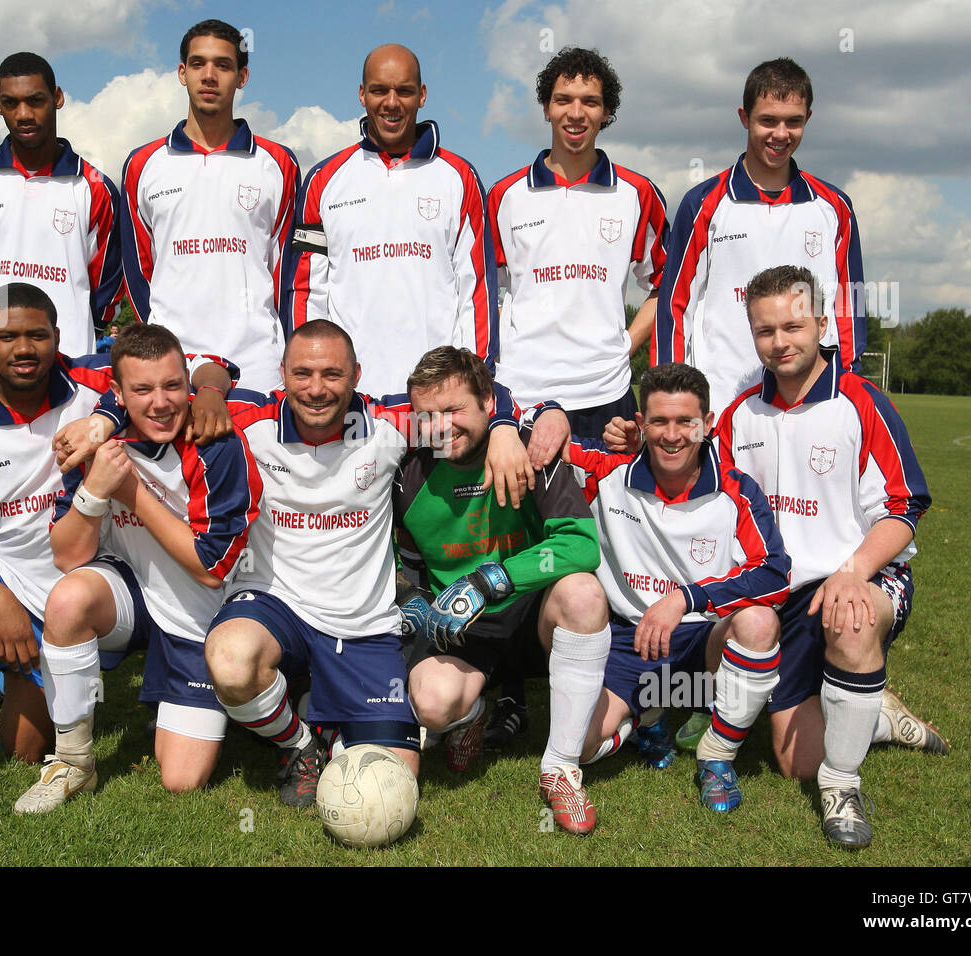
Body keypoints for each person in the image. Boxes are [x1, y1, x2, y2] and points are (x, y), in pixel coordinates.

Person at [0, 281, 235, 810]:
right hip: (0, 575)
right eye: (8, 336)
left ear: (59, 337)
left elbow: (191, 366)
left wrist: (208, 391)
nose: (24, 348)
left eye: (37, 335)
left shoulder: (92, 380)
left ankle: (14, 675)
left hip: (80, 577)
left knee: (22, 750)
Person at [201, 321, 535, 807]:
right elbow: (164, 383)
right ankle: (301, 745)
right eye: (303, 374)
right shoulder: (248, 420)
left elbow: (480, 399)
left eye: (333, 374)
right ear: (282, 373)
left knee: (396, 780)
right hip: (277, 608)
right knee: (230, 662)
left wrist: (507, 427)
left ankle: (326, 717)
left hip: (365, 622)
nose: (316, 389)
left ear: (357, 374)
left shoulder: (389, 424)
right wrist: (206, 388)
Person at [714, 264, 942, 849]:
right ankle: (878, 716)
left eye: (793, 326)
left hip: (863, 578)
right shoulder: (740, 415)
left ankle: (842, 786)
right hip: (782, 595)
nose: (780, 342)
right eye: (765, 331)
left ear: (821, 322)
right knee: (794, 761)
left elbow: (902, 507)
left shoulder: (862, 402)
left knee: (852, 611)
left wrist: (853, 571)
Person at [14, 324, 259, 812]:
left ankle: (255, 690)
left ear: (188, 383)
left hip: (206, 616)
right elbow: (66, 557)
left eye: (172, 386)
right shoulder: (98, 442)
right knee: (67, 597)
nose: (161, 403)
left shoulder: (215, 440)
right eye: (142, 390)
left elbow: (210, 570)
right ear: (119, 394)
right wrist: (95, 491)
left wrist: (130, 494)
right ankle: (73, 761)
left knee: (181, 779)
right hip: (136, 595)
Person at [394, 347, 610, 835]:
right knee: (431, 702)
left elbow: (580, 546)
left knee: (584, 594)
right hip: (464, 622)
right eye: (428, 416)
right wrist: (412, 601)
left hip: (535, 610)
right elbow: (400, 556)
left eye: (454, 411)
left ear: (490, 403)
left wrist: (492, 578)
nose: (441, 427)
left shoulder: (531, 448)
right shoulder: (406, 470)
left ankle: (560, 767)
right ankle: (471, 713)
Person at [567, 363, 790, 814]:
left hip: (702, 643)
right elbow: (537, 442)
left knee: (760, 621)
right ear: (640, 424)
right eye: (659, 422)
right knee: (580, 746)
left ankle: (717, 756)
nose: (673, 435)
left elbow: (774, 573)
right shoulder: (607, 471)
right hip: (628, 642)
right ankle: (644, 720)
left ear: (708, 424)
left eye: (686, 421)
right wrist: (546, 414)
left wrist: (685, 598)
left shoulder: (736, 491)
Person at [653, 58, 865, 412]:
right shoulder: (703, 204)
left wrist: (851, 385)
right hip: (723, 405)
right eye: (768, 120)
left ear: (808, 119)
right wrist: (669, 395)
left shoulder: (834, 207)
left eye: (793, 122)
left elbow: (849, 305)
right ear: (743, 117)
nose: (781, 134)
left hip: (815, 406)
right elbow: (676, 309)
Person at [285, 44, 496, 395]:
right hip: (349, 398)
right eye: (380, 90)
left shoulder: (459, 177)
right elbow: (307, 292)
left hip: (435, 398)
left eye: (405, 91)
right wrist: (310, 379)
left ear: (422, 95)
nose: (392, 103)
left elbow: (475, 291)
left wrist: (473, 383)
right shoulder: (324, 180)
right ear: (362, 94)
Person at [488, 47, 669, 439]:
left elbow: (666, 284)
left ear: (606, 113)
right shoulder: (505, 195)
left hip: (606, 391)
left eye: (590, 102)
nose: (575, 113)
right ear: (546, 108)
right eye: (563, 100)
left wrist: (626, 344)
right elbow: (486, 295)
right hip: (524, 390)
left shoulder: (637, 193)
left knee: (609, 503)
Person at [120, 19, 300, 392]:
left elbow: (288, 274)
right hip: (172, 362)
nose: (209, 76)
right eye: (198, 64)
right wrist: (157, 346)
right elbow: (138, 273)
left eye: (223, 65)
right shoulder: (143, 165)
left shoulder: (278, 164)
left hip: (257, 362)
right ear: (182, 73)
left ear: (242, 76)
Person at [0, 52, 122, 385]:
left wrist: (80, 331)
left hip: (70, 366)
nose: (23, 114)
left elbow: (107, 285)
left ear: (58, 97)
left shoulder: (94, 188)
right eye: (11, 103)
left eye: (35, 101)